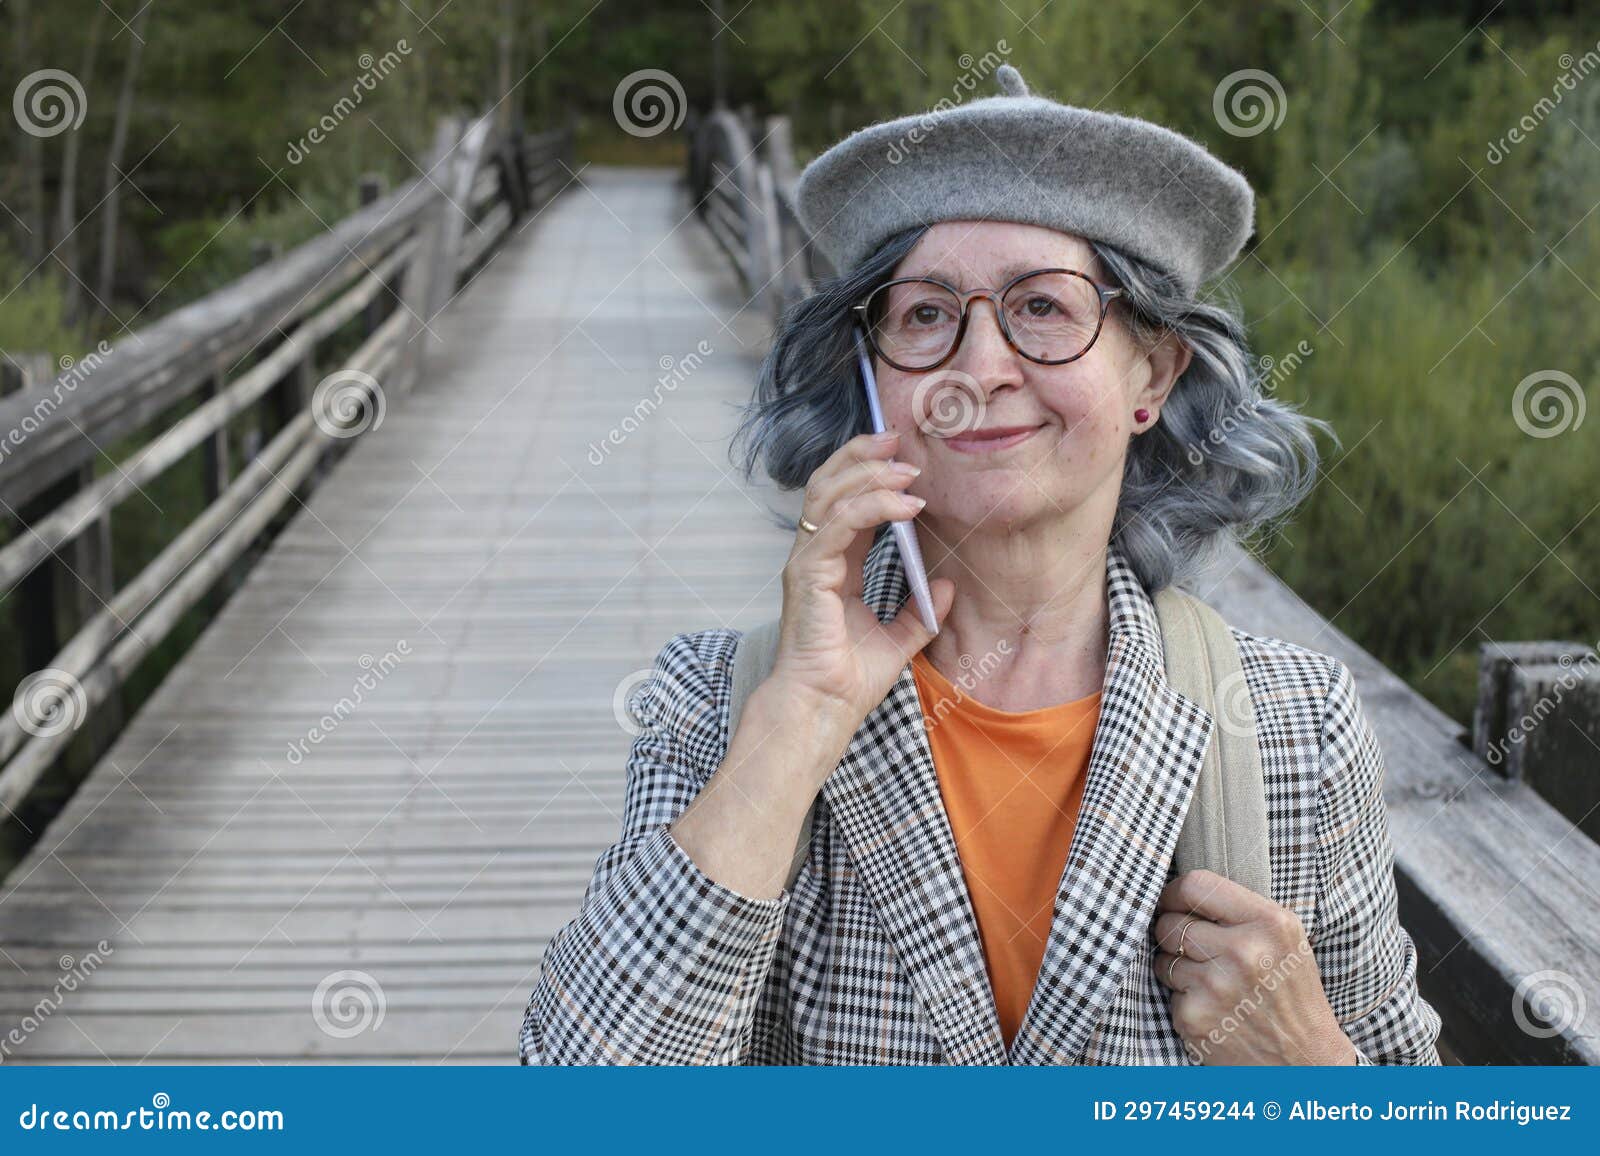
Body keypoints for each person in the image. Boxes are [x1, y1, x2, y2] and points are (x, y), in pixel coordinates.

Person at [518, 63, 1442, 1065]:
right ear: (870, 379)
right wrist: (795, 726)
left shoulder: (1293, 726)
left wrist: (1314, 1063)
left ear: (1152, 371)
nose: (980, 365)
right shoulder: (717, 704)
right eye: (923, 314)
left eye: (1042, 307)